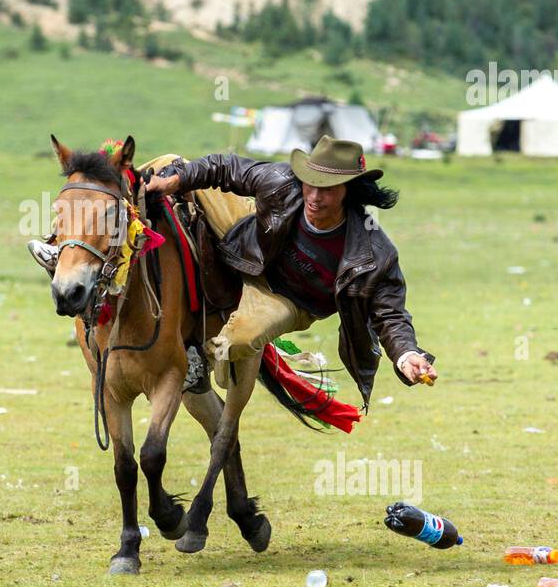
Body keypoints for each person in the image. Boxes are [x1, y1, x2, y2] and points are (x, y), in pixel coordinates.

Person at [138, 136, 436, 407]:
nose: (315, 197)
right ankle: (118, 200)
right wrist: (174, 182)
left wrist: (406, 356)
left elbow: (390, 315)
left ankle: (197, 359)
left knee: (238, 342)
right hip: (249, 241)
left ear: (349, 191)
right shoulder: (282, 182)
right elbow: (224, 168)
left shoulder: (374, 253)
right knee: (171, 165)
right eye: (311, 183)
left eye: (328, 189)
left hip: (288, 299)